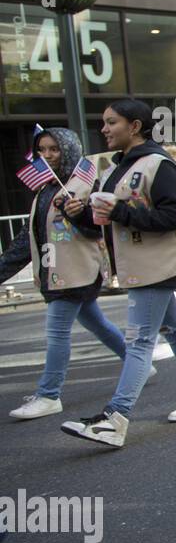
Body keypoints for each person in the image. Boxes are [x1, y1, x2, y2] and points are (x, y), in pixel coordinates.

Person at [59, 99, 176, 449]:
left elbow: (175, 216)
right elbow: (106, 220)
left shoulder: (157, 164)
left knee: (139, 342)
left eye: (111, 122)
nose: (103, 129)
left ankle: (115, 418)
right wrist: (77, 213)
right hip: (142, 268)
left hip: (157, 266)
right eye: (103, 122)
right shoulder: (116, 167)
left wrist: (121, 211)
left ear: (135, 126)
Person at [0, 128, 131, 421]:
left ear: (68, 150)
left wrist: (79, 213)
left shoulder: (85, 183)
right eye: (42, 150)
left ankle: (49, 394)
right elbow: (27, 238)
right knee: (96, 323)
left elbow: (100, 227)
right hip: (58, 271)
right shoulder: (46, 189)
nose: (46, 156)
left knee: (57, 332)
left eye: (54, 150)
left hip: (76, 272)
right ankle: (138, 363)